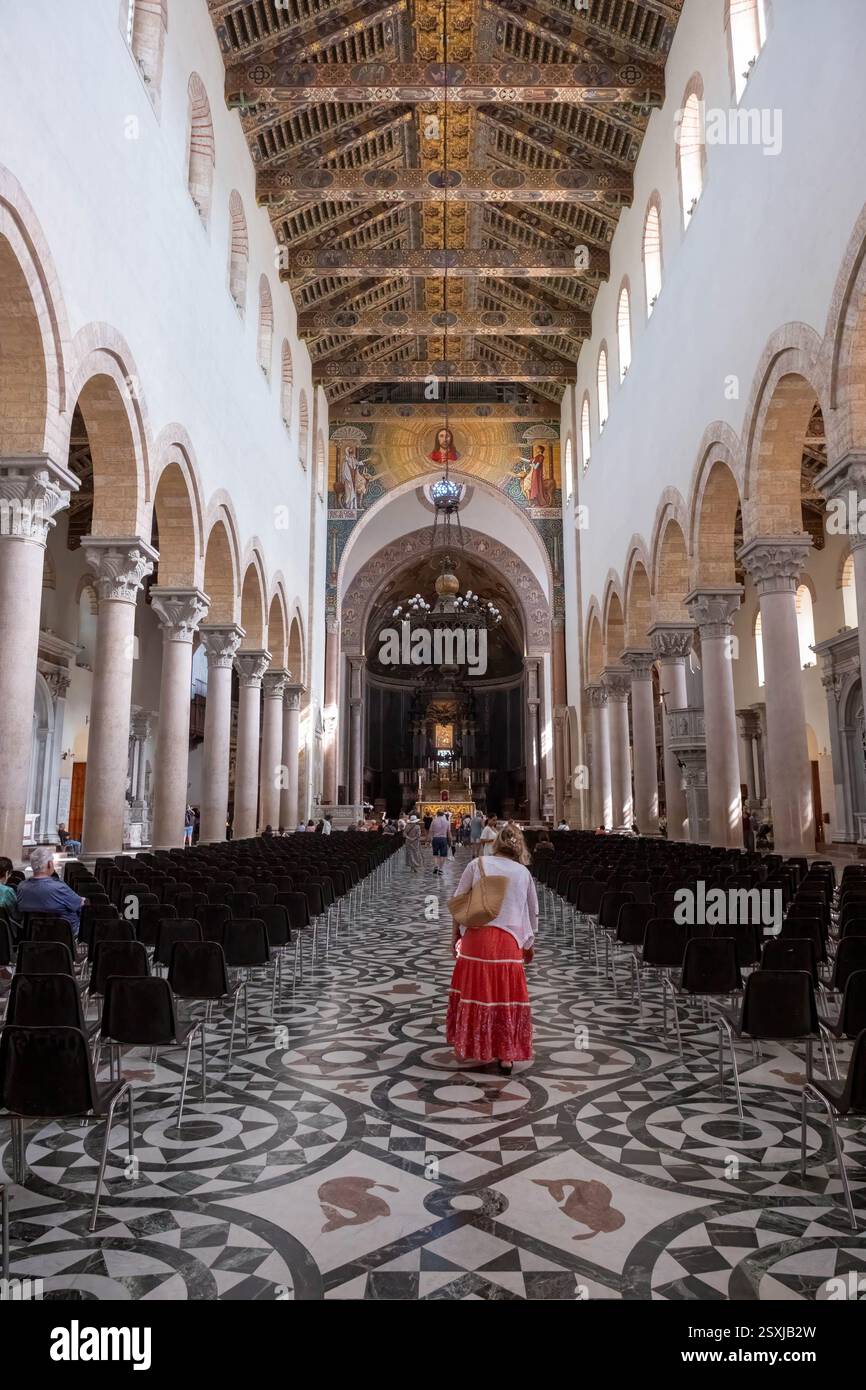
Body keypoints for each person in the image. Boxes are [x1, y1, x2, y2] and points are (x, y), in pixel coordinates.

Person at [446, 822, 536, 1074]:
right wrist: (527, 943)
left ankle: (477, 1047)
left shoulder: (477, 865)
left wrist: (454, 936)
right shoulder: (523, 873)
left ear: (495, 843)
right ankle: (506, 1056)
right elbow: (532, 913)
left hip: (476, 940)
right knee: (505, 997)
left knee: (478, 995)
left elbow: (458, 901)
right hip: (507, 944)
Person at [17, 846, 86, 936]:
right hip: (63, 934)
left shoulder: (21, 887)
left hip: (33, 934)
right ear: (50, 864)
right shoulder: (59, 887)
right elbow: (79, 903)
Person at [429, 808, 450, 875]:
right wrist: (450, 840)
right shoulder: (447, 822)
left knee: (435, 854)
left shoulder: (434, 821)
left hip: (435, 838)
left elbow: (430, 831)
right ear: (443, 814)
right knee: (443, 855)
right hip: (443, 838)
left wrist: (429, 839)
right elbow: (449, 832)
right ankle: (440, 869)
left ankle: (436, 866)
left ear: (437, 814)